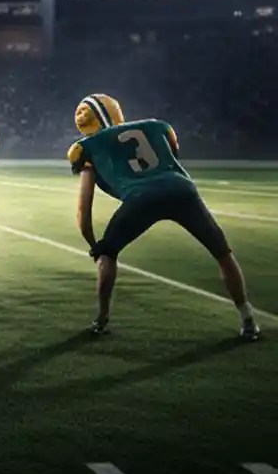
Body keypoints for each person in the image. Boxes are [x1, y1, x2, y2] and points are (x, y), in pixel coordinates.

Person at [69, 94, 260, 340]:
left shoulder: (86, 148)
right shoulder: (157, 126)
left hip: (140, 199)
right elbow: (171, 152)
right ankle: (248, 318)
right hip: (182, 190)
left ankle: (102, 319)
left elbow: (83, 212)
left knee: (108, 254)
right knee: (222, 253)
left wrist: (95, 244)